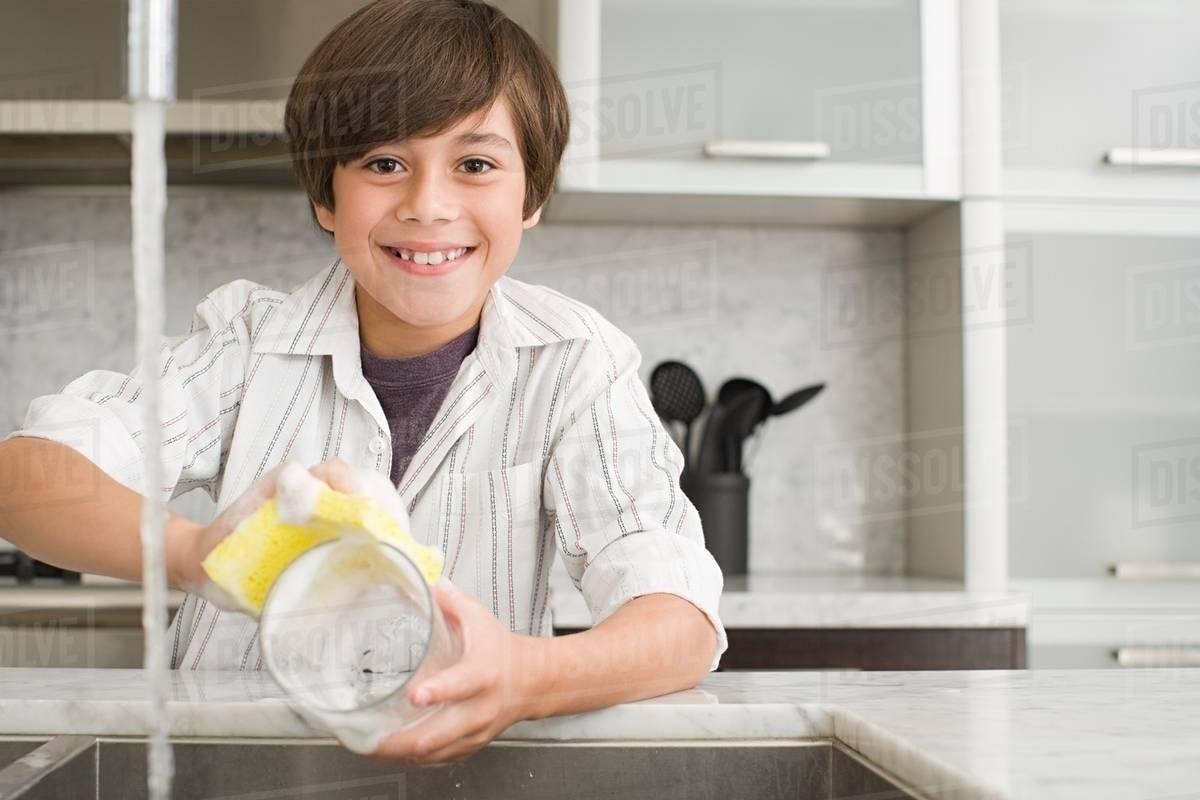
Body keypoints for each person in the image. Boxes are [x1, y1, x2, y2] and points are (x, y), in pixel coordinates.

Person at [0, 0, 726, 766]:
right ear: (326, 195)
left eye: (475, 164)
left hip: (475, 778)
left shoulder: (577, 362)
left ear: (531, 194)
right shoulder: (247, 344)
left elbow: (679, 623)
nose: (428, 206)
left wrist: (528, 677)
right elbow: (22, 477)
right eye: (384, 163)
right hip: (232, 774)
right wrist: (193, 553)